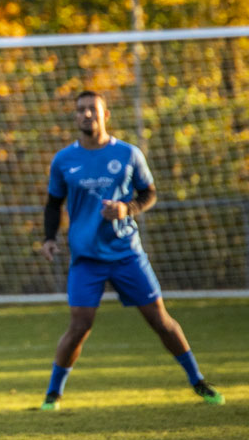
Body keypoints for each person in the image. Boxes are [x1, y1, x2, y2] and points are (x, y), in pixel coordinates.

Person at [39, 91, 225, 410]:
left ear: (105, 114)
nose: (86, 115)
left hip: (126, 253)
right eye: (80, 110)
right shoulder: (63, 160)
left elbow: (148, 193)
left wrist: (127, 208)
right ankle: (53, 394)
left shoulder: (128, 153)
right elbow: (53, 204)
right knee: (79, 325)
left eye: (92, 109)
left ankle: (198, 380)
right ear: (75, 116)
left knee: (159, 319)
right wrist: (49, 238)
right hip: (86, 258)